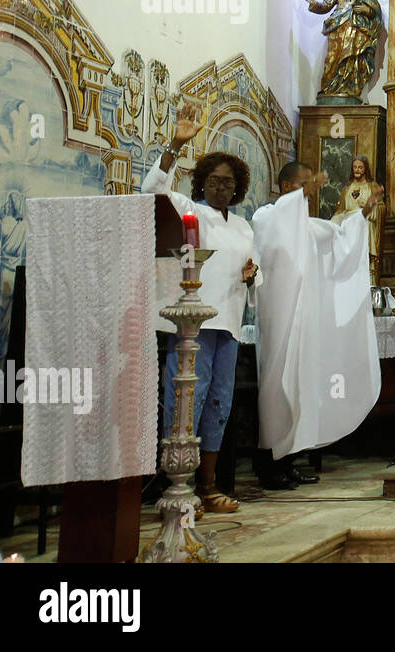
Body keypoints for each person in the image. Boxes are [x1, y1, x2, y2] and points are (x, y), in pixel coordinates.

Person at [144, 102, 259, 516]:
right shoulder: (189, 211)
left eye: (228, 183)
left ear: (237, 187)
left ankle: (209, 486)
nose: (221, 188)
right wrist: (176, 144)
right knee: (183, 401)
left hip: (226, 324)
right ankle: (178, 485)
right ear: (202, 183)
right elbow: (151, 190)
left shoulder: (244, 226)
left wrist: (252, 275)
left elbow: (254, 274)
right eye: (213, 181)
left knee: (218, 403)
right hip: (189, 324)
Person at [250, 161, 382, 474]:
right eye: (303, 185)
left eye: (311, 184)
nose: (310, 190)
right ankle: (269, 463)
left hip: (305, 323)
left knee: (301, 386)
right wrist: (300, 197)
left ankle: (289, 459)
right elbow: (279, 224)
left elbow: (340, 237)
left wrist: (364, 212)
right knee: (276, 386)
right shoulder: (266, 217)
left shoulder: (307, 226)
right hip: (279, 320)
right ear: (285, 188)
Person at [332, 155, 384, 284]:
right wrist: (333, 223)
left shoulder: (372, 186)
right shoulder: (347, 188)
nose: (357, 170)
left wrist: (368, 207)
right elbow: (341, 211)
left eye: (360, 167)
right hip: (349, 226)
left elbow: (381, 207)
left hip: (366, 224)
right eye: (355, 167)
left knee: (365, 259)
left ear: (365, 169)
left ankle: (368, 285)